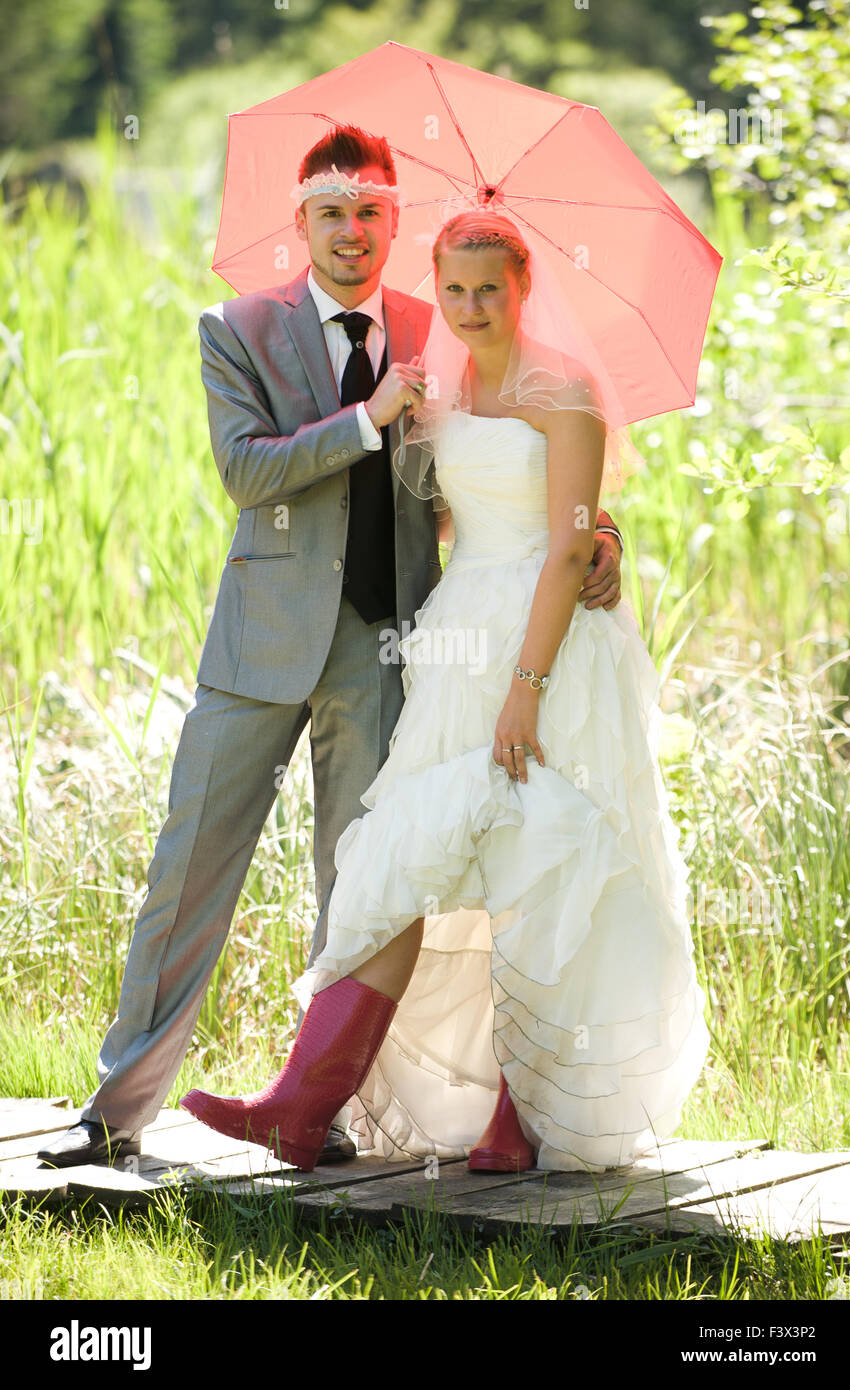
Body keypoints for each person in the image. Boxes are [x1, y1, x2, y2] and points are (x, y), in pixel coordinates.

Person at [38, 128, 626, 1170]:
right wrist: (366, 417)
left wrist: (594, 541)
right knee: (189, 870)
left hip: (396, 645)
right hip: (257, 646)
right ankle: (116, 1108)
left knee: (360, 878)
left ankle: (319, 1111)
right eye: (328, 213)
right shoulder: (237, 328)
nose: (351, 232)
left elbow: (505, 472)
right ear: (297, 222)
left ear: (393, 222)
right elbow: (246, 471)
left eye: (369, 213)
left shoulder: (437, 320)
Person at [180, 210, 711, 1174]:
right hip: (456, 637)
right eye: (454, 290)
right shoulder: (438, 391)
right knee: (405, 851)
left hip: (549, 647)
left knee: (538, 855)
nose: (470, 308)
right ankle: (302, 1101)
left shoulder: (568, 391)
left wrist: (532, 679)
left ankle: (527, 1112)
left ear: (522, 286)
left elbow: (566, 540)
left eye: (489, 290)